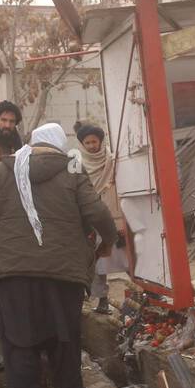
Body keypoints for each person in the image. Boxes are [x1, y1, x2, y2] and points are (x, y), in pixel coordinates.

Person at [0, 123, 117, 388]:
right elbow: (97, 213)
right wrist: (108, 241)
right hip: (63, 271)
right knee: (65, 339)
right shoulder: (72, 170)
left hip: (13, 273)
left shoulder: (4, 170)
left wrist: (7, 236)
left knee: (19, 341)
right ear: (59, 145)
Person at [74, 123, 127, 314]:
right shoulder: (76, 160)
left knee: (128, 257)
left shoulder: (111, 158)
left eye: (94, 141)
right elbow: (72, 187)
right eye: (87, 142)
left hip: (115, 214)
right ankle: (102, 300)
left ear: (100, 141)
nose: (91, 146)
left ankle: (144, 293)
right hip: (91, 215)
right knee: (97, 261)